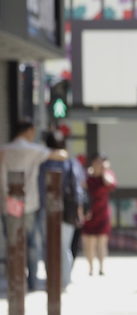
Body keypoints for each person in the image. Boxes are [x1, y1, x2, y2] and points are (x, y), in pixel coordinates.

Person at [0, 120, 60, 291]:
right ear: (29, 131)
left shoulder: (4, 150)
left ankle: (15, 279)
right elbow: (59, 155)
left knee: (12, 241)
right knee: (32, 243)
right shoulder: (34, 150)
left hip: (8, 201)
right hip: (28, 202)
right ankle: (32, 282)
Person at [38, 131, 86, 290]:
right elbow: (78, 188)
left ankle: (51, 279)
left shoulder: (42, 163)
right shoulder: (71, 163)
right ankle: (64, 281)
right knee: (64, 246)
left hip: (46, 210)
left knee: (48, 246)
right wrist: (79, 209)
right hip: (67, 210)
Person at [81, 155, 117, 275]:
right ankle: (91, 268)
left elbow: (110, 184)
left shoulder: (107, 175)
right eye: (97, 163)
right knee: (89, 243)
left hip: (103, 213)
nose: (99, 166)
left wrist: (104, 171)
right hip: (89, 213)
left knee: (102, 242)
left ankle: (101, 267)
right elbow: (81, 186)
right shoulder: (87, 176)